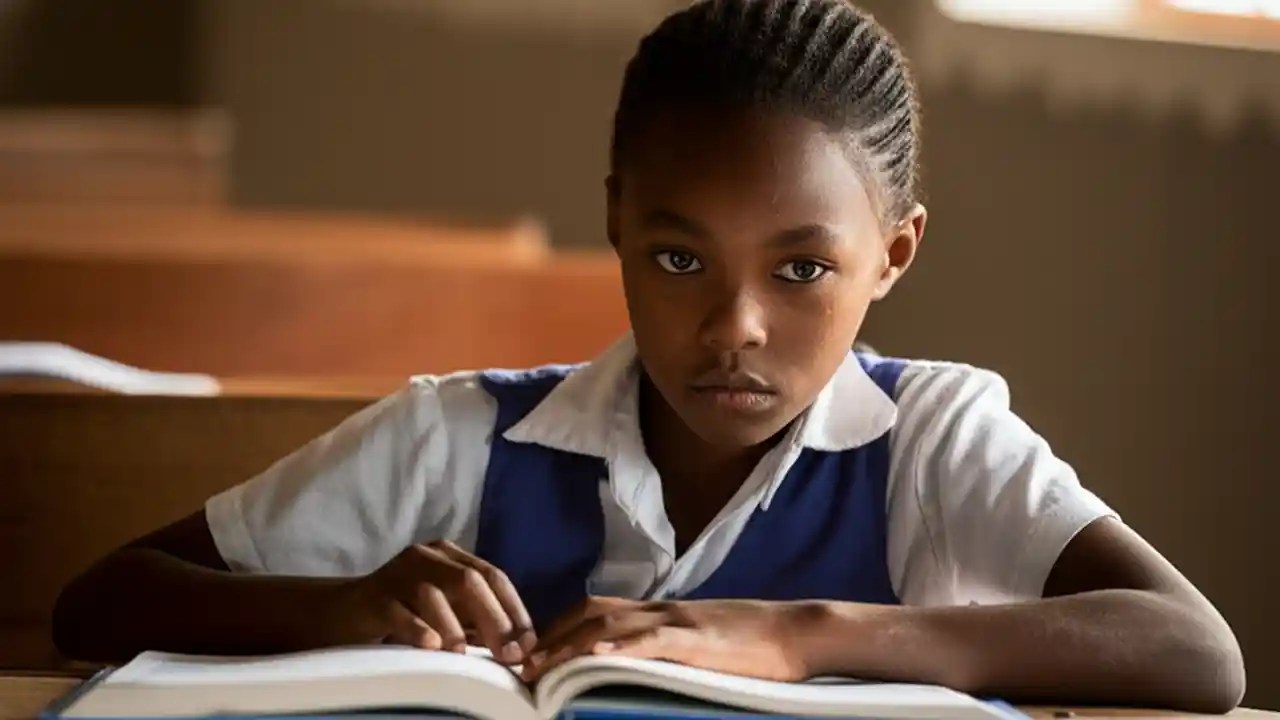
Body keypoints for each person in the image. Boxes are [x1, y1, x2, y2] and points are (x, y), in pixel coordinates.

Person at [53, 0, 1245, 712]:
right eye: (680, 262)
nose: (733, 326)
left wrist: (795, 635)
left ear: (891, 256)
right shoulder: (462, 438)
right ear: (617, 223)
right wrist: (348, 605)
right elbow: (99, 601)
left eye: (800, 270)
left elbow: (1193, 651)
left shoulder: (929, 442)